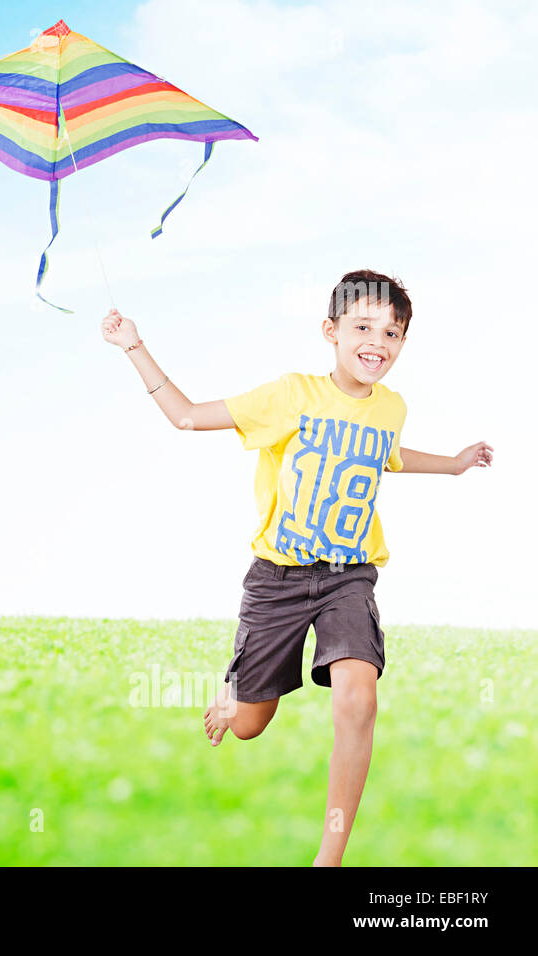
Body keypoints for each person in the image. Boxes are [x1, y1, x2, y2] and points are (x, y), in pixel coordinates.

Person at [100, 270, 493, 866]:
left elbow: (388, 456)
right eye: (364, 326)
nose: (378, 341)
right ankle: (236, 694)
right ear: (331, 331)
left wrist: (454, 465)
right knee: (251, 723)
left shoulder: (391, 407)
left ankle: (328, 858)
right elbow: (184, 416)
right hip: (277, 579)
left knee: (358, 698)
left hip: (348, 576)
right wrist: (134, 344)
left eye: (393, 331)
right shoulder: (289, 395)